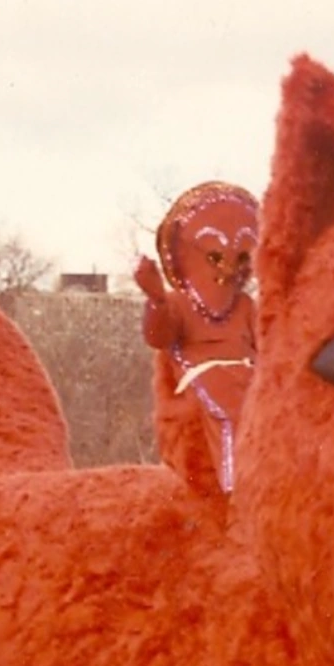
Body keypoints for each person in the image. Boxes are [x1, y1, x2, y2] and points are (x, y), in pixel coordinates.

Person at [134, 181, 259, 498]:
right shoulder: (179, 304)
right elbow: (158, 335)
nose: (228, 270)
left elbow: (270, 346)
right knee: (229, 403)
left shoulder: (245, 306)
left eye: (241, 259)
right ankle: (236, 487)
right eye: (216, 257)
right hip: (205, 377)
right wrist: (156, 299)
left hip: (249, 375)